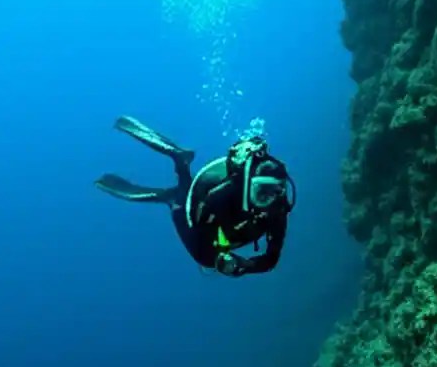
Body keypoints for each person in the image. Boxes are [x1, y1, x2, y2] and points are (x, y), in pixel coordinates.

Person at [95, 116, 296, 278]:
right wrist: (222, 254)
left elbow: (271, 259)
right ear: (248, 186)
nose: (269, 200)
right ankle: (176, 188)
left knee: (209, 256)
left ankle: (180, 165)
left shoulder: (278, 210)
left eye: (276, 192)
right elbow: (201, 225)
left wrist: (243, 265)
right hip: (203, 198)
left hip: (226, 218)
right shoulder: (222, 195)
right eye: (262, 192)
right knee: (202, 255)